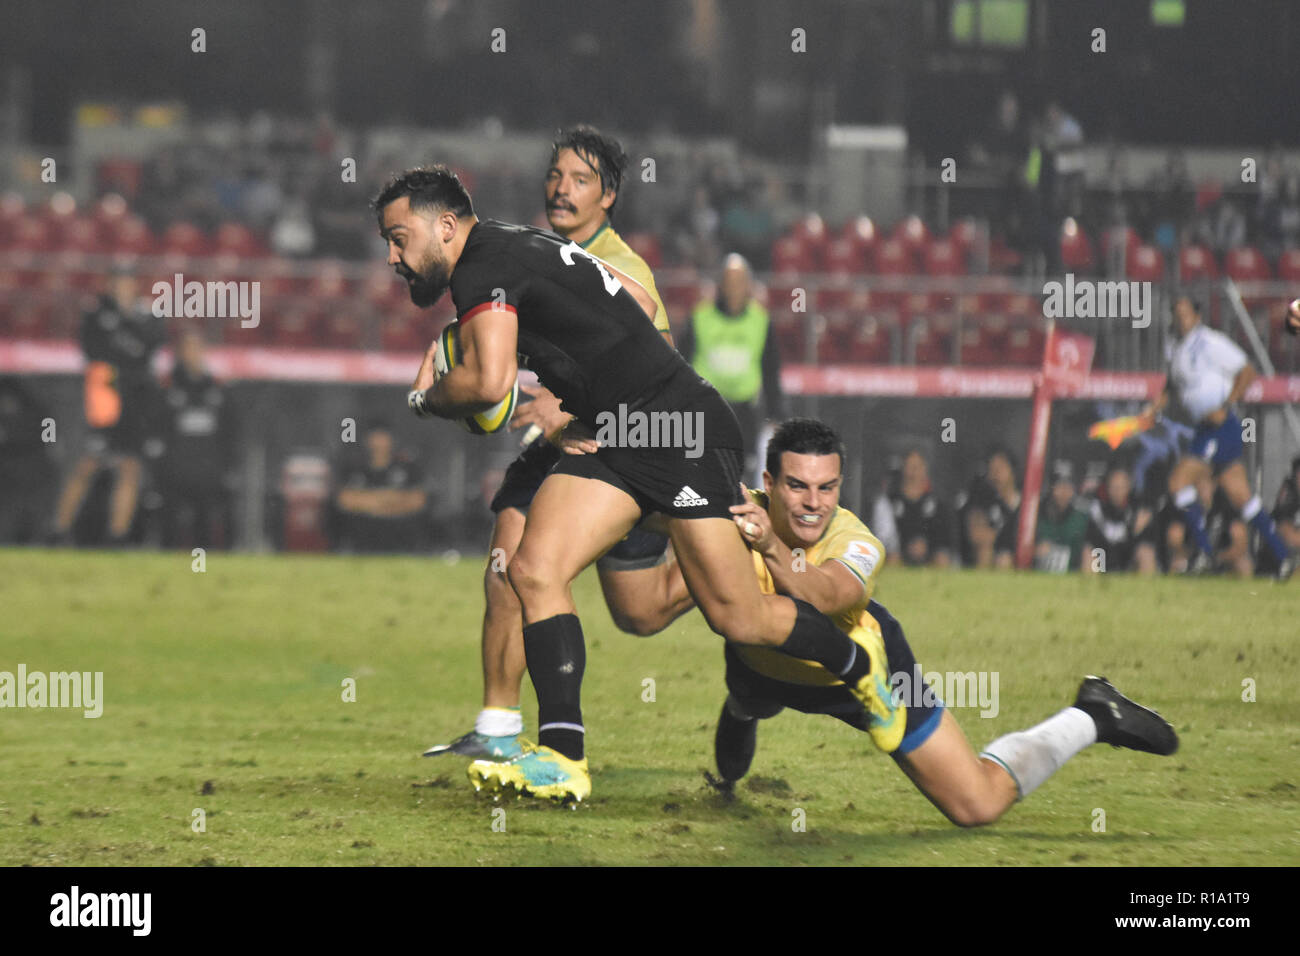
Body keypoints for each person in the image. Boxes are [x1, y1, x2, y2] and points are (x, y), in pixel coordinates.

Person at [378, 165, 884, 803]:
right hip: (619, 432)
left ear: (445, 226)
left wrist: (426, 399)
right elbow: (625, 306)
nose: (393, 257)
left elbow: (488, 384)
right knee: (533, 570)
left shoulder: (484, 266)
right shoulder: (510, 247)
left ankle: (857, 667)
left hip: (680, 430)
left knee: (740, 617)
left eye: (399, 238)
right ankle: (563, 757)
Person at [604, 418, 1177, 827]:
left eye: (827, 488)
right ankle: (740, 718)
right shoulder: (732, 513)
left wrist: (771, 548)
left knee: (975, 805)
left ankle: (1092, 714)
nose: (812, 503)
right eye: (798, 486)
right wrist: (595, 455)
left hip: (864, 679)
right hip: (759, 656)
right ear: (769, 483)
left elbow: (828, 594)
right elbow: (635, 518)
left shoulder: (856, 540)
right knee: (739, 715)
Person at [422, 127, 680, 761]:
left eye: (581, 180)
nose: (562, 189)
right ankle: (499, 731)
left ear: (609, 197)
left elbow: (643, 367)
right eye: (556, 175)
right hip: (565, 444)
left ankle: (726, 570)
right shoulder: (536, 254)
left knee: (638, 612)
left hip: (625, 446)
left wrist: (560, 405)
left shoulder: (622, 268)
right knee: (506, 571)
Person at [1139, 294, 1293, 579]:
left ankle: (1204, 553)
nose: (1180, 319)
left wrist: (1227, 405)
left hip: (1220, 426)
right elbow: (1172, 385)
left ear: (1197, 316)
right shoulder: (1173, 346)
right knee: (1242, 497)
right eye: (1176, 313)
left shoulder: (1210, 342)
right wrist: (1155, 408)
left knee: (1178, 482)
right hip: (1204, 428)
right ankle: (1283, 558)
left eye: (1185, 313)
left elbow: (1247, 371)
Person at [50, 266, 165, 546]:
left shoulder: (147, 314)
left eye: (127, 283)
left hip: (136, 396)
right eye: (118, 283)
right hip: (103, 392)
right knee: (87, 462)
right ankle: (57, 529)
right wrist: (127, 344)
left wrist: (123, 336)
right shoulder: (97, 312)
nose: (123, 288)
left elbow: (149, 346)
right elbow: (94, 350)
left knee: (129, 465)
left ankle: (118, 534)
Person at [678, 253, 785, 474]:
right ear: (720, 285)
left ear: (749, 286)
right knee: (701, 471)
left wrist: (776, 414)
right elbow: (681, 363)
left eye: (740, 282)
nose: (734, 288)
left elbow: (770, 370)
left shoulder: (761, 320)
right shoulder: (699, 317)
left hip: (744, 412)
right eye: (729, 282)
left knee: (742, 473)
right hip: (705, 411)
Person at [158, 330, 234, 549]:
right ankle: (167, 566)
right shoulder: (167, 386)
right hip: (175, 466)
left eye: (197, 348)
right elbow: (158, 426)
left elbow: (230, 429)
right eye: (188, 349)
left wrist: (226, 463)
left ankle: (203, 569)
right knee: (170, 519)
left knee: (205, 519)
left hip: (208, 467)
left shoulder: (217, 387)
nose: (193, 354)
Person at [331, 421, 428, 553]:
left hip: (402, 541)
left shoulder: (408, 467)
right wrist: (391, 500)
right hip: (361, 541)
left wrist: (368, 501)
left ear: (392, 439)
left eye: (383, 437)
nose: (379, 442)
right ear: (366, 440)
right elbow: (345, 501)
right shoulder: (354, 468)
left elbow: (417, 502)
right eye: (375, 437)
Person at [1083, 464, 1158, 575]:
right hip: (1104, 559)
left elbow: (1145, 542)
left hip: (1129, 560)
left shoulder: (1138, 509)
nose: (1117, 492)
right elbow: (1093, 541)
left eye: (1121, 487)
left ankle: (1146, 590)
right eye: (1113, 487)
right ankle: (1089, 590)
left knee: (1146, 553)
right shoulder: (1099, 508)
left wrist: (1136, 532)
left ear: (1129, 487)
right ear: (1107, 488)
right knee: (1089, 552)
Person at [887, 449, 953, 568]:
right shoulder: (889, 502)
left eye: (917, 467)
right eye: (910, 466)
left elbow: (943, 542)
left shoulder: (937, 504)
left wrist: (926, 546)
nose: (913, 472)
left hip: (929, 558)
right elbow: (885, 537)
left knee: (942, 559)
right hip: (900, 556)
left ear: (925, 469)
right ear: (903, 469)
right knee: (892, 559)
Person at [957, 447, 1020, 569]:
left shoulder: (1027, 505)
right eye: (992, 469)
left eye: (1000, 468)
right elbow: (977, 535)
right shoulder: (981, 501)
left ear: (1012, 471)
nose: (996, 473)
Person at [1033, 460, 1089, 573]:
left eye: (1068, 487)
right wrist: (1033, 551)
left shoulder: (1081, 518)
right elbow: (1009, 545)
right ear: (1050, 488)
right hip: (1035, 576)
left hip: (1073, 579)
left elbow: (1101, 549)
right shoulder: (1034, 514)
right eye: (1059, 486)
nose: (1064, 492)